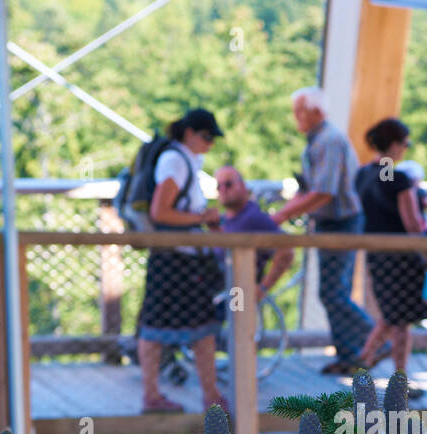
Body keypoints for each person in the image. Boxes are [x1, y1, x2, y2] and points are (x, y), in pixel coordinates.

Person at [272, 88, 376, 376]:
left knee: (333, 292)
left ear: (316, 112)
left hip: (342, 223)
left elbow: (323, 193)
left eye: (299, 111)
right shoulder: (317, 141)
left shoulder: (328, 141)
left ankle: (376, 339)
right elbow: (311, 190)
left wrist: (281, 215)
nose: (296, 118)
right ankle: (349, 356)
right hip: (331, 223)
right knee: (332, 292)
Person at [135, 108, 228, 415]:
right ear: (189, 133)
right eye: (206, 136)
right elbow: (160, 212)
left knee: (201, 328)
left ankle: (209, 395)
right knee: (157, 327)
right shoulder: (175, 161)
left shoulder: (186, 160)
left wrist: (200, 220)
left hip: (181, 258)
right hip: (173, 257)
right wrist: (201, 218)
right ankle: (154, 395)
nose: (209, 143)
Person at [354, 118, 427, 376]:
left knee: (390, 312)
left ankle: (365, 356)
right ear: (396, 145)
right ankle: (399, 377)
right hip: (402, 258)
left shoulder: (363, 175)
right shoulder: (397, 179)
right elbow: (412, 223)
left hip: (376, 254)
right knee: (400, 321)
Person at [214, 166, 295, 297]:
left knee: (238, 313)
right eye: (218, 186)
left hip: (238, 292)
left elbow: (286, 250)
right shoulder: (225, 219)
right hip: (217, 292)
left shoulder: (253, 217)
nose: (222, 190)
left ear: (243, 186)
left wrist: (262, 288)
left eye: (228, 184)